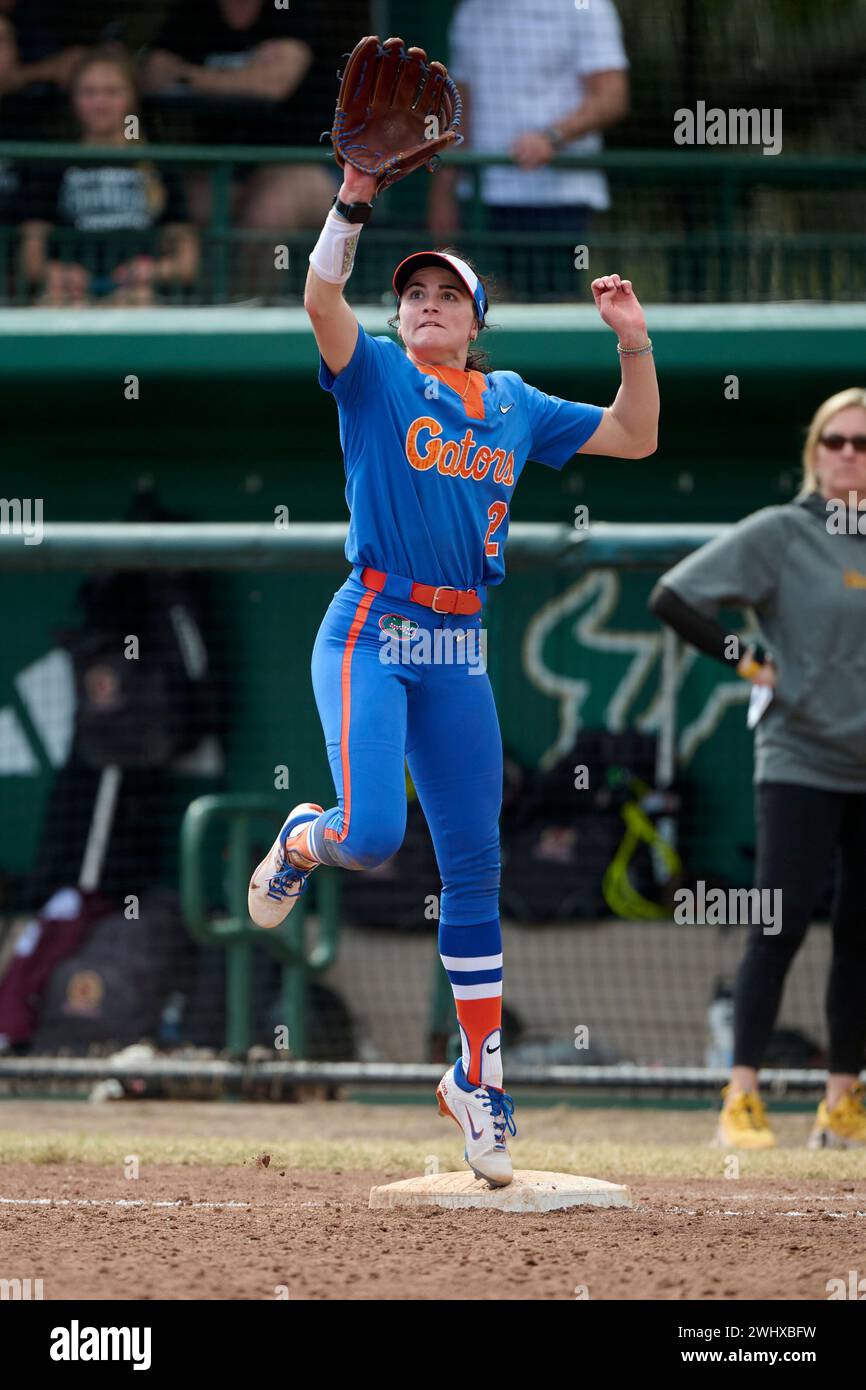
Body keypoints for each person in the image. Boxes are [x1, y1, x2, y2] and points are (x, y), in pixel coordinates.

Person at [246, 158, 658, 1187]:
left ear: (476, 323)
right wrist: (352, 198)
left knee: (475, 866)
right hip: (372, 625)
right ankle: (304, 837)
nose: (425, 305)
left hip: (458, 644)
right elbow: (317, 293)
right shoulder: (377, 373)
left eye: (445, 296)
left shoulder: (511, 402)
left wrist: (632, 342)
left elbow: (635, 436)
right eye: (414, 293)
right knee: (375, 836)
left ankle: (475, 1079)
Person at [649, 388, 866, 1150]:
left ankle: (842, 1103)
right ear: (814, 452)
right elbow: (673, 598)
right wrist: (751, 661)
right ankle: (740, 1096)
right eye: (834, 441)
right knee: (777, 921)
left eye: (861, 444)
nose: (847, 454)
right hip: (800, 759)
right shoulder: (783, 532)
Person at [430, 0, 629, 298]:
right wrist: (443, 194)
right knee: (478, 309)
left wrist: (552, 137)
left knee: (555, 310)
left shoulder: (587, 7)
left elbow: (612, 95)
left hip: (561, 199)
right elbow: (460, 110)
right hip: (484, 202)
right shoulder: (472, 12)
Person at [18, 50, 198, 306]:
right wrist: (58, 273)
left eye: (112, 92)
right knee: (54, 302)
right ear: (73, 100)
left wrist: (154, 271)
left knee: (139, 303)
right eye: (89, 93)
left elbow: (187, 261)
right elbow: (31, 260)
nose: (100, 103)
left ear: (132, 99)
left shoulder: (156, 163)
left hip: (138, 293)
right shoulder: (54, 162)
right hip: (71, 292)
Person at [140, 0, 334, 236]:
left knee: (268, 214)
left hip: (299, 161)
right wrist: (243, 77)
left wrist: (188, 76)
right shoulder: (193, 11)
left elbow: (272, 84)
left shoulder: (289, 8)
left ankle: (257, 274)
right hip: (219, 162)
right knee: (185, 211)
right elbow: (152, 73)